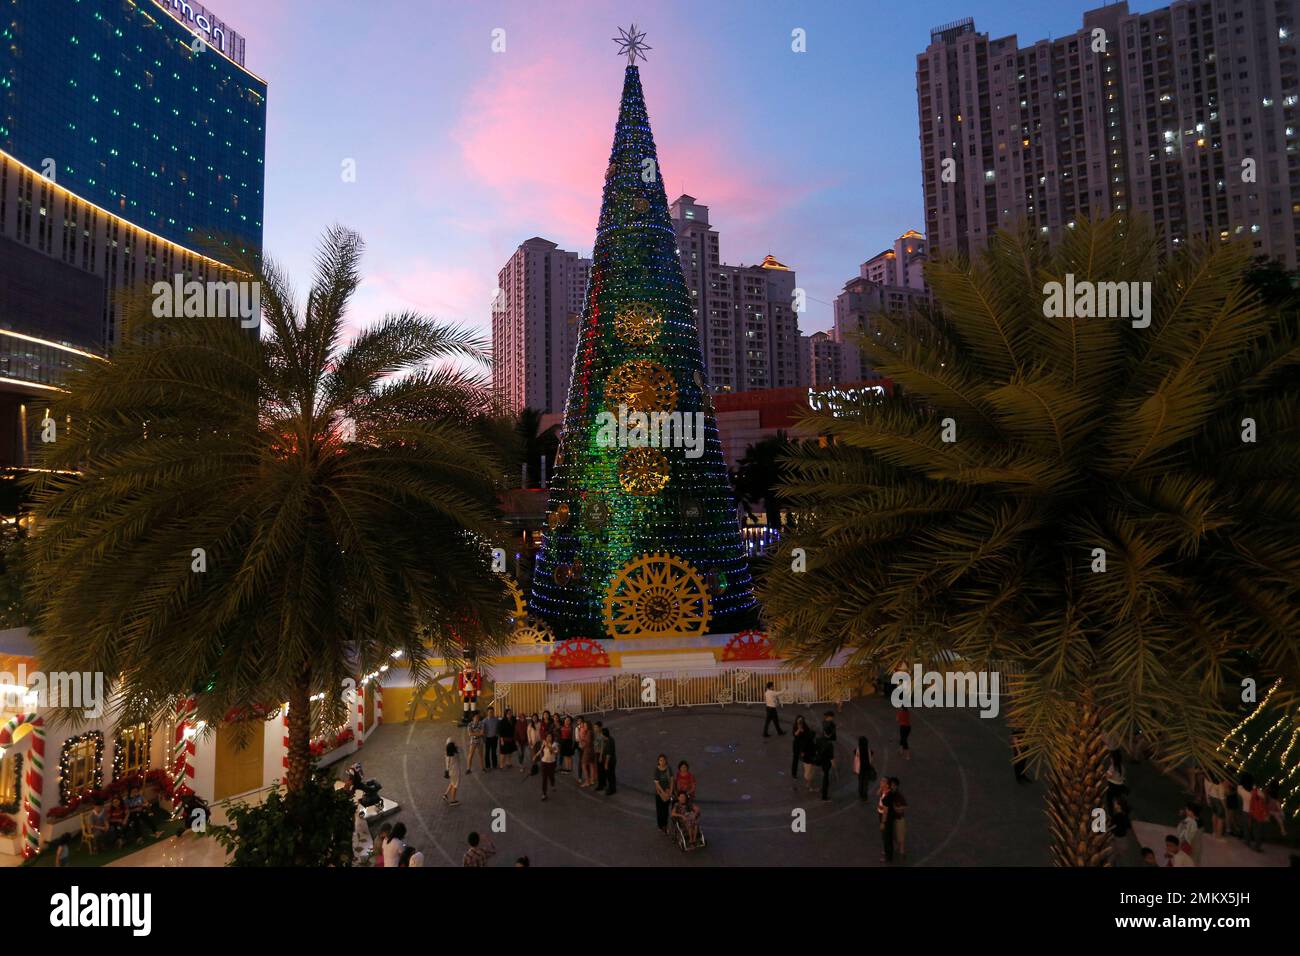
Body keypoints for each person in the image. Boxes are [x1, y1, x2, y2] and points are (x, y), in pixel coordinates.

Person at [653, 754, 674, 833]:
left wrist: (671, 791)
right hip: (659, 793)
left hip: (668, 792)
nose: (662, 762)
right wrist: (663, 793)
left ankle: (665, 825)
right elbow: (657, 783)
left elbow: (672, 780)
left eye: (664, 760)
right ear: (658, 761)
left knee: (665, 810)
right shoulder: (657, 770)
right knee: (660, 810)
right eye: (661, 760)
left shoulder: (669, 768)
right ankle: (660, 825)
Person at [1246, 780, 1268, 852]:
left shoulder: (1252, 792)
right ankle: (1257, 846)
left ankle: (1256, 845)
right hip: (1259, 815)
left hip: (1254, 814)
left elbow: (1251, 804)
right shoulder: (1261, 794)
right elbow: (1263, 805)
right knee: (1258, 831)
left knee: (1256, 831)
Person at [877, 777, 896, 863]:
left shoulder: (888, 796)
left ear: (887, 785)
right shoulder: (884, 792)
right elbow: (877, 794)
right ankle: (887, 851)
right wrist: (881, 788)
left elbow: (885, 811)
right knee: (885, 836)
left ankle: (888, 856)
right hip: (881, 814)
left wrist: (883, 823)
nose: (880, 782)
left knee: (886, 837)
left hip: (886, 818)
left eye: (883, 781)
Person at [889, 776, 907, 858]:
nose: (891, 786)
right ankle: (898, 847)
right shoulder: (890, 794)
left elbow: (905, 806)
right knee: (894, 834)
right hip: (892, 817)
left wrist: (897, 808)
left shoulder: (899, 795)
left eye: (892, 785)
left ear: (896, 785)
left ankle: (902, 850)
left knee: (900, 835)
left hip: (899, 818)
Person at [791, 716, 811, 784]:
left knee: (805, 760)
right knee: (795, 759)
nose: (800, 722)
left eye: (801, 721)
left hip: (803, 745)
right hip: (796, 745)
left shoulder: (805, 727)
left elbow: (808, 734)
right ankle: (794, 773)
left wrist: (803, 730)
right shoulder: (795, 726)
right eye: (798, 721)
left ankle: (807, 774)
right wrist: (799, 729)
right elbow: (795, 734)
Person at [815, 733, 835, 801]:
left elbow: (816, 748)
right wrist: (834, 764)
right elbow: (831, 757)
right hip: (826, 762)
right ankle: (824, 795)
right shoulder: (830, 744)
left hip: (819, 759)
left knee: (824, 774)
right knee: (826, 778)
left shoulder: (818, 739)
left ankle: (823, 791)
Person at [443, 737, 462, 806]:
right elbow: (459, 749)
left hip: (450, 771)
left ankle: (446, 794)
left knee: (452, 782)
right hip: (456, 771)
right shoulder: (456, 754)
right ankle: (453, 800)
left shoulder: (447, 754)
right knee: (455, 785)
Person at [540, 732, 558, 800]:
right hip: (544, 762)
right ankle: (544, 794)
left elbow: (555, 752)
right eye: (547, 737)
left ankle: (552, 784)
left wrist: (547, 745)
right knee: (544, 778)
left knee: (551, 776)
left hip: (552, 763)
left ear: (552, 737)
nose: (548, 738)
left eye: (550, 736)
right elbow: (541, 750)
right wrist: (535, 756)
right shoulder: (544, 743)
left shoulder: (555, 744)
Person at [580, 717, 598, 788]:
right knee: (591, 764)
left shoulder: (589, 732)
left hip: (588, 750)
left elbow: (588, 742)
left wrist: (582, 740)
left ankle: (587, 781)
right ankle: (592, 779)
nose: (584, 727)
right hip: (592, 750)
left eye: (585, 726)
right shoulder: (591, 732)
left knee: (584, 765)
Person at [800, 726, 819, 792]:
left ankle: (808, 784)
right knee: (809, 773)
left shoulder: (805, 742)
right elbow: (815, 750)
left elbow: (802, 753)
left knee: (807, 772)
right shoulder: (811, 743)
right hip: (810, 760)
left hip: (806, 760)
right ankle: (809, 785)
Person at [601, 725, 618, 795]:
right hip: (613, 760)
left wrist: (606, 764)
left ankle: (611, 789)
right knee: (612, 775)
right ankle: (613, 788)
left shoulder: (607, 742)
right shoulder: (611, 739)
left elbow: (608, 755)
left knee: (609, 775)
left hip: (609, 762)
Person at [482, 707, 500, 771]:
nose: (491, 713)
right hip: (487, 739)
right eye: (490, 712)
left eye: (492, 712)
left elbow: (498, 728)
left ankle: (494, 765)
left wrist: (497, 735)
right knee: (487, 752)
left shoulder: (496, 720)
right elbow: (483, 731)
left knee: (494, 752)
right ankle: (488, 766)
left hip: (494, 738)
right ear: (487, 713)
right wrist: (484, 738)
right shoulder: (484, 721)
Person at [593, 721, 607, 791]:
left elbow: (602, 747)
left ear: (600, 728)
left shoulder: (601, 736)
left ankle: (600, 785)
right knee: (601, 769)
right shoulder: (596, 734)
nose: (595, 728)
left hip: (600, 754)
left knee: (600, 770)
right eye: (594, 727)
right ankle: (603, 783)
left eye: (596, 727)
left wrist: (601, 756)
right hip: (597, 753)